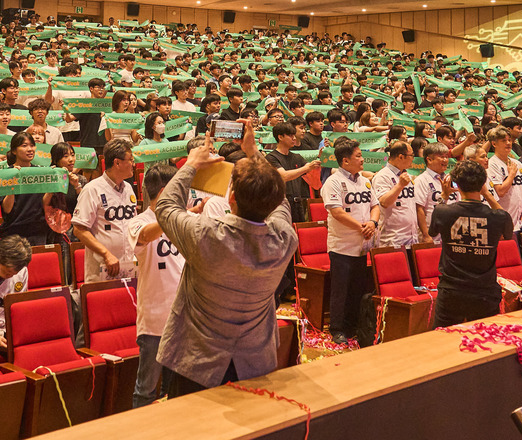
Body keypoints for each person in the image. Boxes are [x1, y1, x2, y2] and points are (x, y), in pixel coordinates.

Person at [154, 122, 296, 396]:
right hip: (255, 361)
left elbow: (165, 206)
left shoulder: (205, 234)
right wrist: (253, 152)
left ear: (231, 199)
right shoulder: (284, 238)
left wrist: (191, 164)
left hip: (197, 362)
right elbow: (279, 199)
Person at [429, 160, 512, 328]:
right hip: (484, 292)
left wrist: (444, 196)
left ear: (457, 184)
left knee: (443, 340)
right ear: (483, 183)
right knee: (486, 340)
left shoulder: (442, 211)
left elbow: (432, 232)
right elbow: (508, 229)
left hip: (452, 291)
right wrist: (487, 194)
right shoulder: (498, 217)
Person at [127, 163, 183, 407]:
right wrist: (171, 215)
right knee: (146, 390)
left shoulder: (183, 219)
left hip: (182, 317)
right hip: (154, 320)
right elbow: (145, 235)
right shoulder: (138, 221)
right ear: (164, 192)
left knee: (175, 390)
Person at [321, 138, 379, 343]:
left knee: (357, 288)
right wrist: (362, 227)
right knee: (341, 290)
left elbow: (375, 205)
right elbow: (336, 212)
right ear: (345, 161)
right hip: (341, 245)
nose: (362, 159)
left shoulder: (364, 181)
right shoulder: (333, 182)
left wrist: (372, 223)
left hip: (362, 245)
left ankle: (353, 326)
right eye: (358, 156)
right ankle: (337, 328)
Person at [72, 137, 139, 282]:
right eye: (130, 160)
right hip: (102, 270)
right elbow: (78, 229)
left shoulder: (128, 188)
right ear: (117, 163)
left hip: (128, 266)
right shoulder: (92, 189)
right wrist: (106, 254)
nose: (134, 164)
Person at [373, 140, 418, 247]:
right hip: (393, 239)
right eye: (411, 155)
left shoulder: (406, 174)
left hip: (412, 238)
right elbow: (384, 202)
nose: (413, 158)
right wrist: (400, 185)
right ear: (401, 157)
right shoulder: (382, 176)